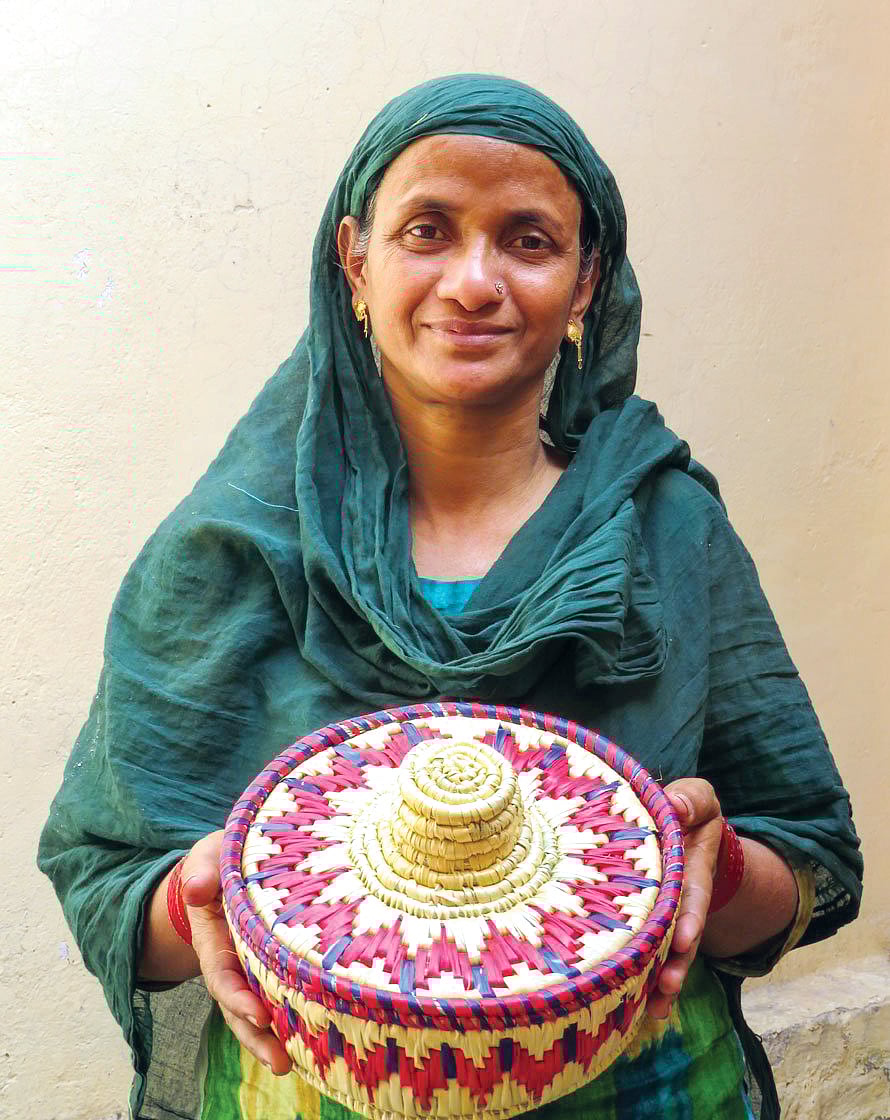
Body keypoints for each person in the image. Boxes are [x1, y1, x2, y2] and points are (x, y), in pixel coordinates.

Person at [39, 75, 862, 1120]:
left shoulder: (666, 527)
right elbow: (106, 876)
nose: (472, 281)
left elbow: (811, 855)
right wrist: (209, 896)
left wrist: (717, 863)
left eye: (528, 239)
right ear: (355, 260)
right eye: (426, 228)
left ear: (584, 282)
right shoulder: (230, 549)